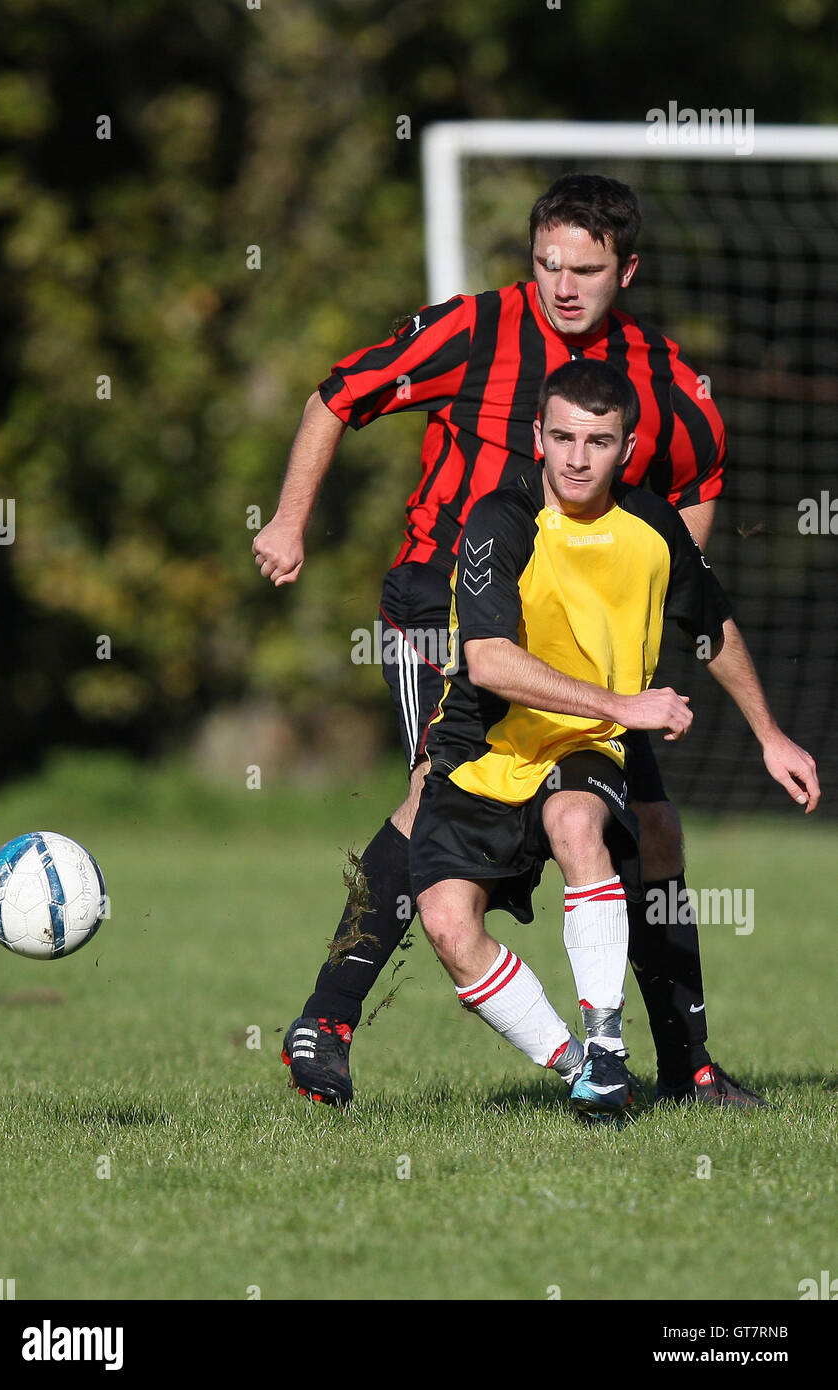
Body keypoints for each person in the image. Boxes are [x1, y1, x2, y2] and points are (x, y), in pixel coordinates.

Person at [256, 174, 785, 1106]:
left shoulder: (661, 374)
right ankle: (327, 1021)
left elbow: (703, 472)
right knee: (433, 793)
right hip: (442, 614)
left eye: (586, 269)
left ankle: (688, 1068)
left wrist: (659, 591)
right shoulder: (473, 327)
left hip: (579, 645)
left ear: (629, 268)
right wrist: (288, 523)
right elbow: (336, 397)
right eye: (547, 265)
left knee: (654, 828)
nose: (563, 286)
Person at [411, 360, 819, 1117]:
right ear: (537, 435)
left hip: (584, 744)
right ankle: (580, 1065)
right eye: (561, 437)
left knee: (579, 824)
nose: (575, 457)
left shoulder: (652, 524)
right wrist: (623, 701)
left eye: (597, 441)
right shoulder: (500, 520)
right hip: (482, 751)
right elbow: (489, 661)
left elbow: (712, 624)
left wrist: (770, 734)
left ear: (626, 446)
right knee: (445, 925)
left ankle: (608, 1046)